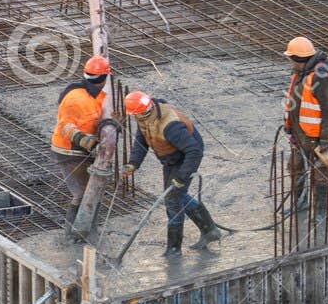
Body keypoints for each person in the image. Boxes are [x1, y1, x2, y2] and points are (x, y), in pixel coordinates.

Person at [121, 91, 225, 255]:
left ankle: (174, 248)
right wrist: (133, 163)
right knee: (176, 196)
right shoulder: (144, 116)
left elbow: (194, 151)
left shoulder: (171, 126)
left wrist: (182, 177)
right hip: (170, 158)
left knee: (173, 200)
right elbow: (141, 140)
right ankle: (210, 230)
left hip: (185, 158)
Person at [282, 36, 328, 240]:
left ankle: (321, 213)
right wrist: (289, 128)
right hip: (301, 136)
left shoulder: (321, 76)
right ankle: (300, 203)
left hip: (318, 138)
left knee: (320, 175)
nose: (290, 62)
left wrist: (325, 140)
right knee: (296, 168)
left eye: (291, 58)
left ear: (299, 58)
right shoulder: (300, 73)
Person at [50, 55, 112, 240]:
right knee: (82, 193)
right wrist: (90, 143)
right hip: (69, 152)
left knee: (94, 190)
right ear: (104, 78)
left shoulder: (98, 96)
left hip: (83, 151)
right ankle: (73, 235)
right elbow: (66, 128)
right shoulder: (74, 98)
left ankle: (88, 230)